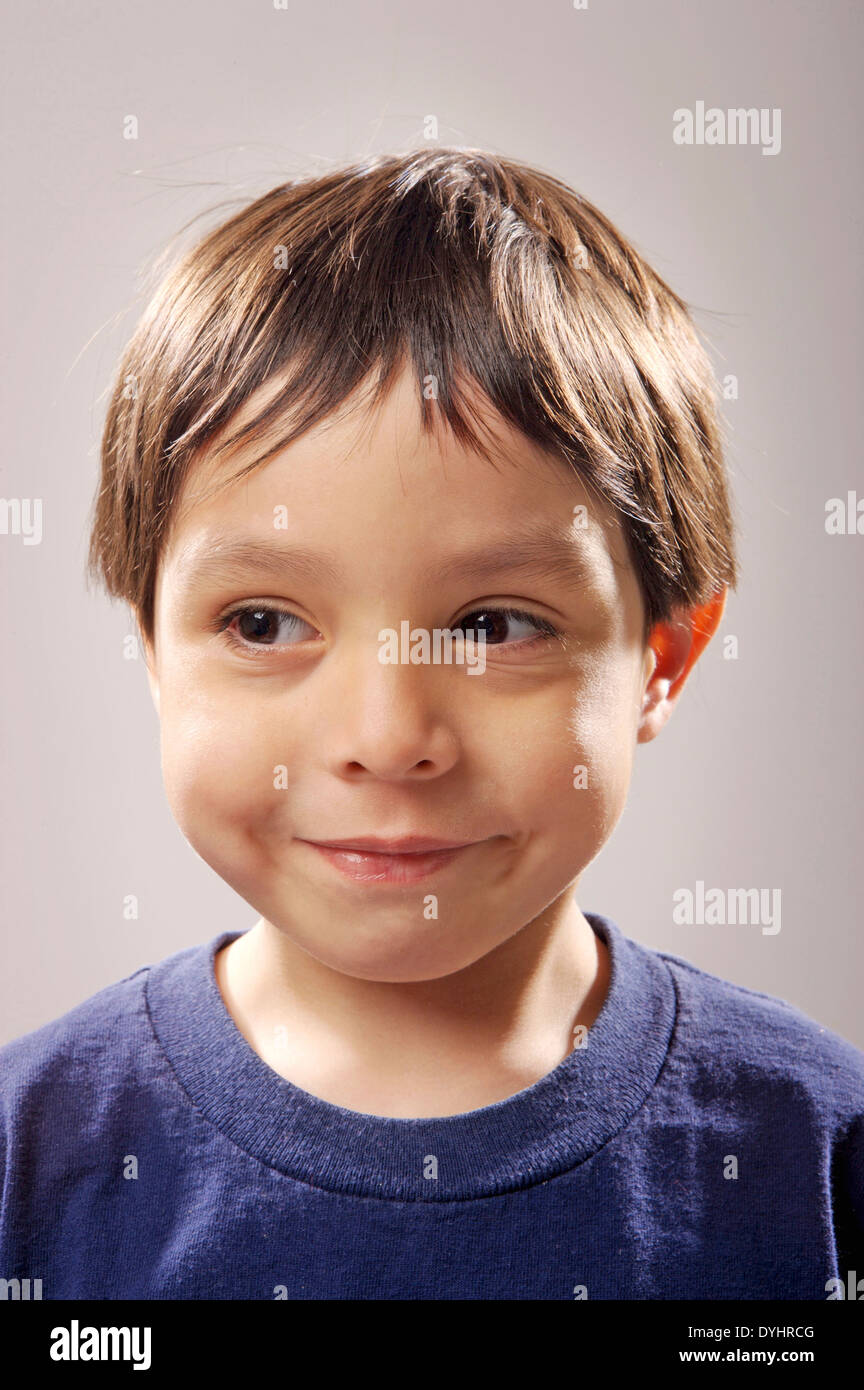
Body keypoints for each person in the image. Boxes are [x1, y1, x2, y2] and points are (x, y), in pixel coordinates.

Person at [1, 149, 861, 1300]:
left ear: (662, 658)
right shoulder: (29, 1163)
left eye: (496, 624)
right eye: (264, 621)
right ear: (156, 653)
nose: (387, 732)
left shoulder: (817, 1158)